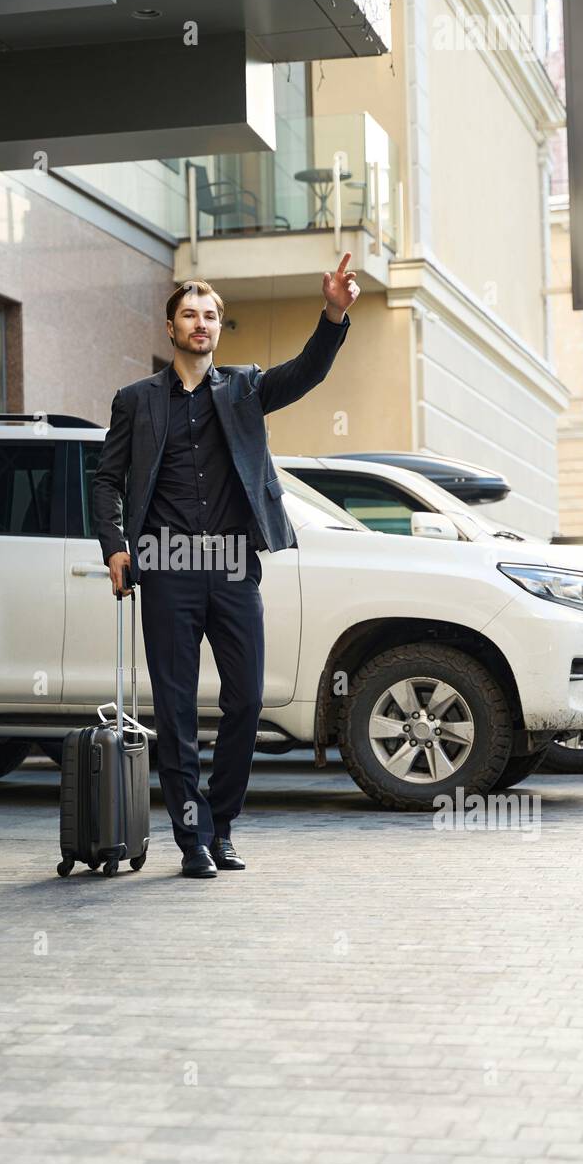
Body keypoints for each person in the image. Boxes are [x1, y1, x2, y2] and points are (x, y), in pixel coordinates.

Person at [93, 258, 359, 878]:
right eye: (190, 314)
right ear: (170, 328)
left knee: (244, 702)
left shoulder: (245, 389)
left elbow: (306, 373)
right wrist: (113, 545)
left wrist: (334, 315)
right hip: (166, 568)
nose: (202, 324)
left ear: (219, 328)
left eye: (211, 316)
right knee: (177, 709)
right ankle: (193, 841)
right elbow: (107, 480)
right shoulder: (136, 401)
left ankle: (222, 823)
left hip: (235, 567)